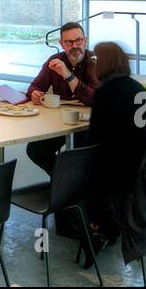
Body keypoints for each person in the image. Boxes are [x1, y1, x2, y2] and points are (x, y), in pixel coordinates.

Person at [87, 41, 146, 245]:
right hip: (144, 167)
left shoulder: (106, 93)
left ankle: (99, 225)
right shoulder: (141, 91)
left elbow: (94, 139)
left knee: (69, 167)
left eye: (95, 59)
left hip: (117, 171)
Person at [23, 21, 99, 179]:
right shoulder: (55, 60)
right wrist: (36, 93)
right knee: (36, 150)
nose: (75, 46)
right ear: (61, 44)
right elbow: (35, 86)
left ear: (85, 41)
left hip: (88, 124)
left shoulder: (95, 62)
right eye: (69, 42)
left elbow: (93, 99)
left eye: (78, 40)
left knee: (78, 155)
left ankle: (73, 185)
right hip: (61, 122)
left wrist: (68, 76)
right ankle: (64, 180)